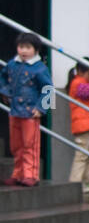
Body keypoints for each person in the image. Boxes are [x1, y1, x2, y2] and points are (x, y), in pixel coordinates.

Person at [0, 32, 52, 187]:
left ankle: (31, 175)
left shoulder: (40, 68)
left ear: (35, 50)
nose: (23, 51)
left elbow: (49, 89)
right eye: (21, 47)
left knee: (30, 144)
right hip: (15, 110)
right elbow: (2, 77)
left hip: (31, 112)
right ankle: (18, 174)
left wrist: (42, 108)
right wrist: (5, 91)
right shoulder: (12, 64)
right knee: (16, 145)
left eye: (27, 47)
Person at [66, 62, 89, 198]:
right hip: (82, 126)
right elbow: (86, 92)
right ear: (81, 71)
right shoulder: (77, 83)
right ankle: (76, 183)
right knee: (81, 156)